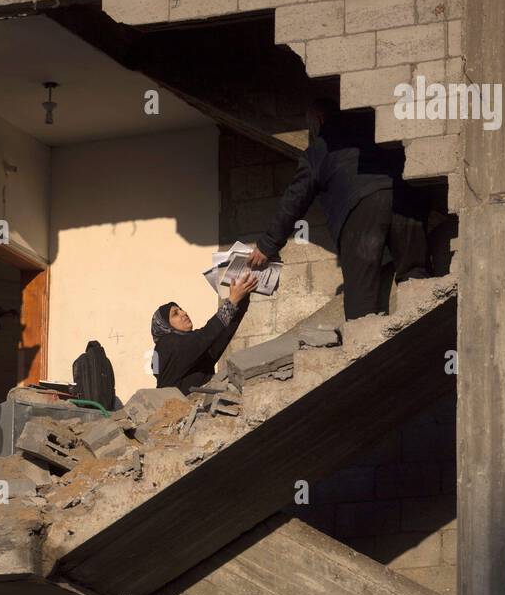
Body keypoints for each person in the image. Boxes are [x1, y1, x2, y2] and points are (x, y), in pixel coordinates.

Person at [249, 98, 429, 321]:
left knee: (361, 303)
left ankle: (366, 347)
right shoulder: (377, 127)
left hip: (362, 210)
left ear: (319, 119)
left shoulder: (319, 149)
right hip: (405, 196)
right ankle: (425, 333)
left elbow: (294, 200)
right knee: (416, 278)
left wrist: (268, 244)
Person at [151, 270, 258, 394]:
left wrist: (242, 298)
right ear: (164, 326)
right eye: (175, 313)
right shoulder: (165, 344)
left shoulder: (190, 350)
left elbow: (221, 336)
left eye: (181, 310)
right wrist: (232, 301)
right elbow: (205, 336)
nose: (184, 313)